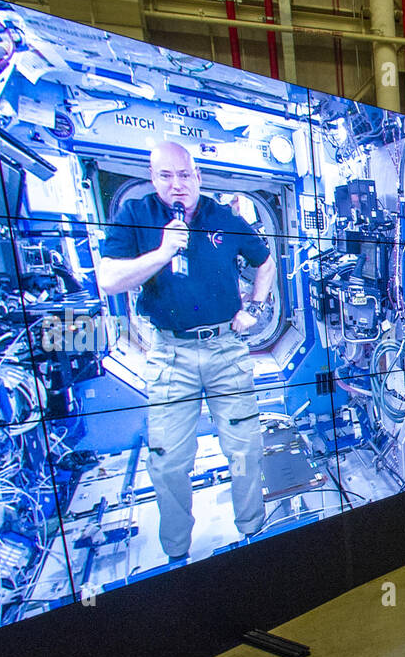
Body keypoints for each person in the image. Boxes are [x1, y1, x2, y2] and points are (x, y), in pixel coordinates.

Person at [98, 141, 275, 562]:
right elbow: (108, 280)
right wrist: (162, 252)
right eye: (165, 176)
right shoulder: (135, 216)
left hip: (226, 350)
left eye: (184, 175)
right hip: (170, 354)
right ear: (153, 178)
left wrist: (254, 307)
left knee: (245, 449)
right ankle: (178, 557)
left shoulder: (224, 218)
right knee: (168, 461)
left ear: (197, 176)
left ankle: (254, 534)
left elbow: (265, 263)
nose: (176, 185)